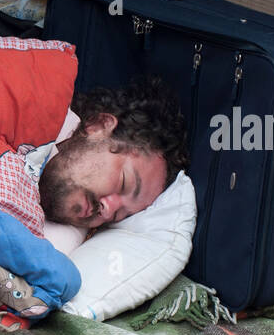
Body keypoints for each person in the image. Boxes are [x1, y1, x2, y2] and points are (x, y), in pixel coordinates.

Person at [38, 75, 188, 230]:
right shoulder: (30, 102)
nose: (108, 213)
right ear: (99, 126)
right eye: (123, 182)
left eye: (119, 215)